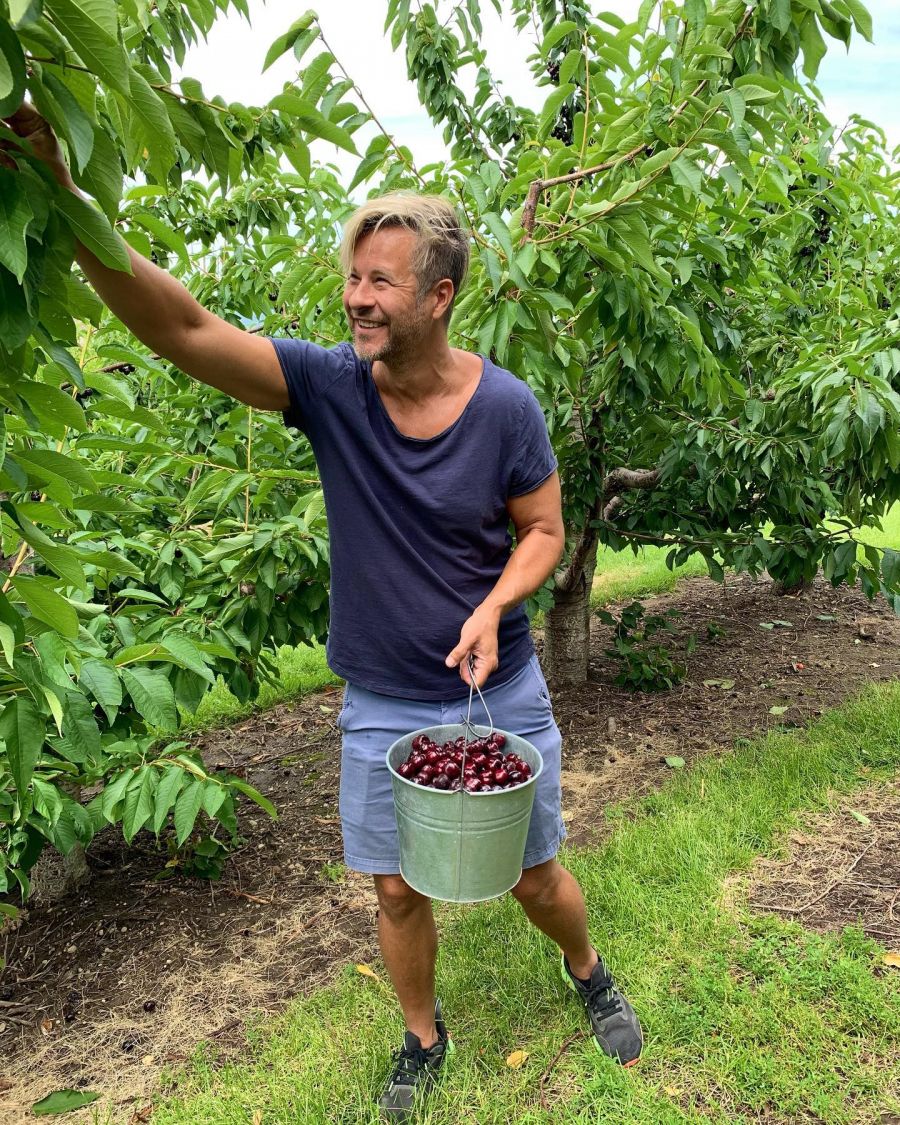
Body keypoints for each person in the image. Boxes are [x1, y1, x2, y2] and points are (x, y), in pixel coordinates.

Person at [3, 104, 643, 1121]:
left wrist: (494, 605)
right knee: (395, 887)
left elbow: (545, 532)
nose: (355, 298)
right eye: (352, 278)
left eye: (380, 281)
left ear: (439, 296)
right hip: (384, 696)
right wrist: (68, 195)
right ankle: (422, 1037)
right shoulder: (331, 387)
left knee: (532, 873)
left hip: (501, 685)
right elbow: (182, 328)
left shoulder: (506, 409)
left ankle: (587, 968)